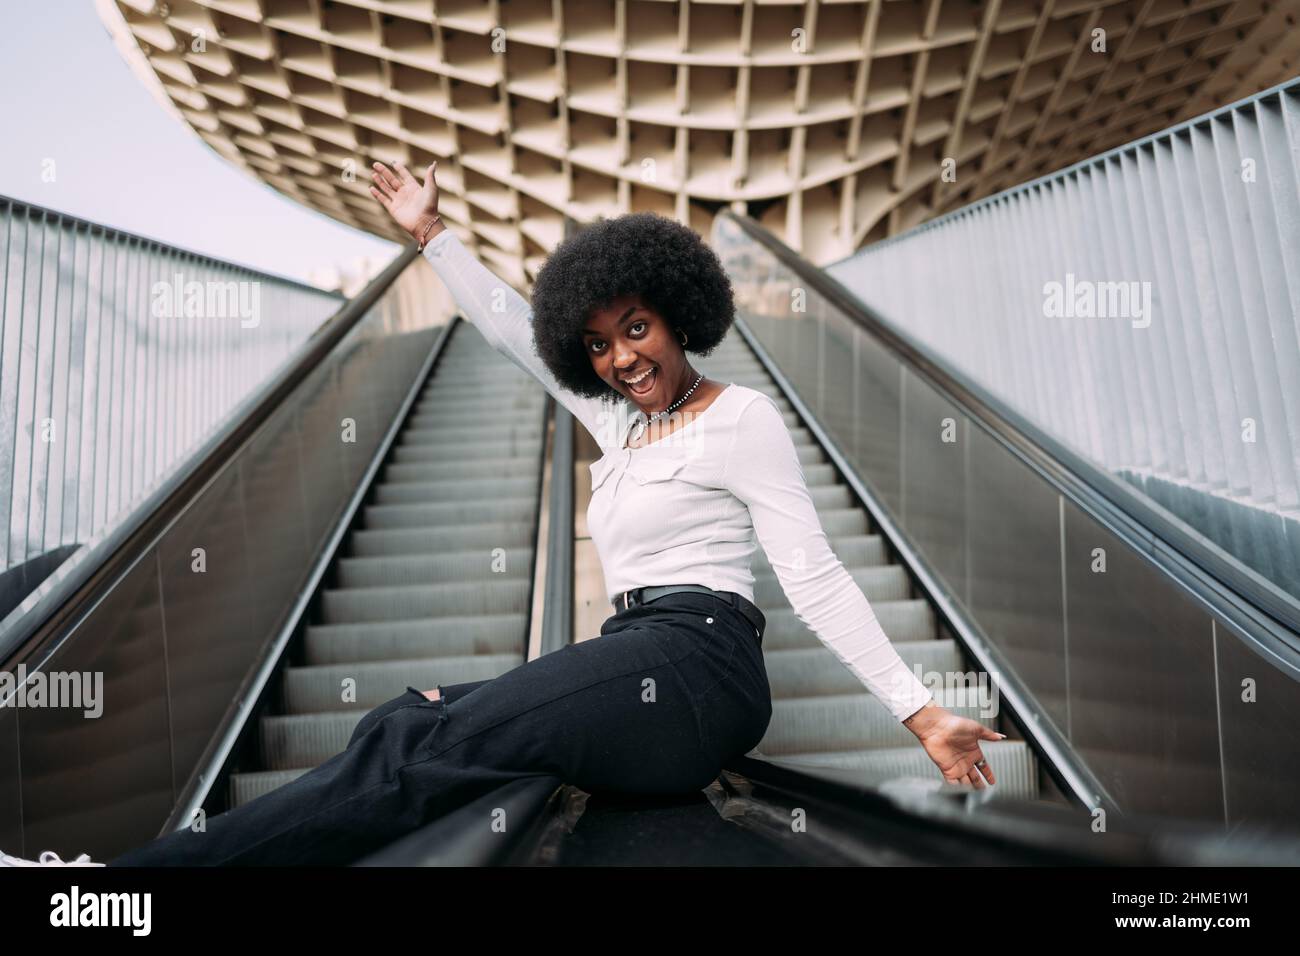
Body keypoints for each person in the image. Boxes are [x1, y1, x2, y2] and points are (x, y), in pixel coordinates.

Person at [1, 160, 1001, 868]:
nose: (622, 357)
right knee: (410, 713)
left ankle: (122, 890)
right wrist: (434, 236)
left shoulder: (739, 418)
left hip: (700, 664)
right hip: (638, 648)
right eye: (601, 343)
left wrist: (917, 709)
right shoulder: (614, 422)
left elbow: (815, 573)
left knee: (417, 748)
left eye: (638, 327)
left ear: (679, 314)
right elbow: (511, 328)